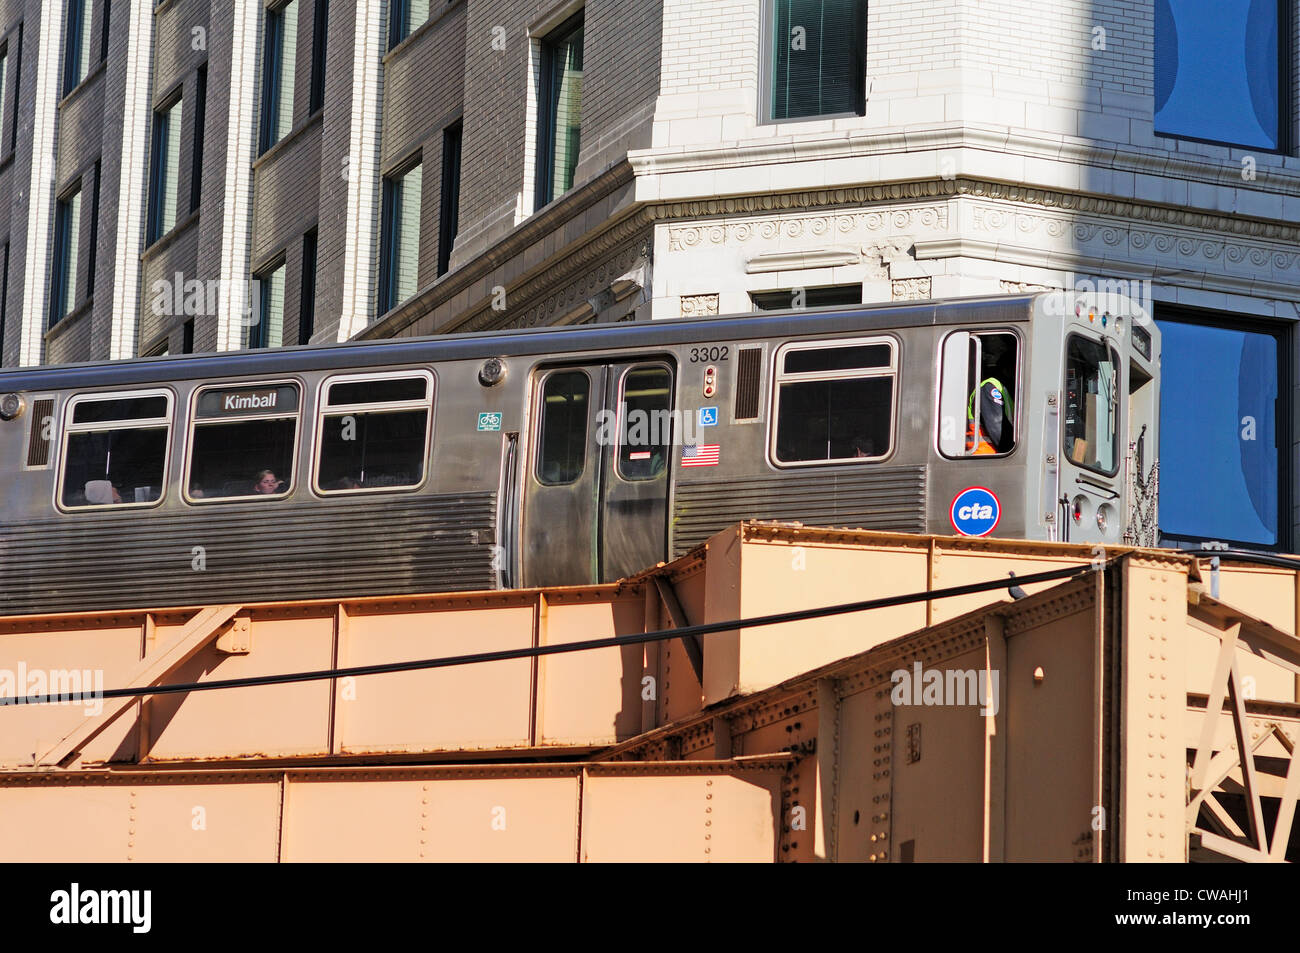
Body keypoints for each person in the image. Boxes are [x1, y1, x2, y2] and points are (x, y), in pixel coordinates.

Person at [966, 377, 1014, 454]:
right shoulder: (988, 387)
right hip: (985, 458)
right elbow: (998, 430)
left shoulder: (1003, 391)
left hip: (993, 457)